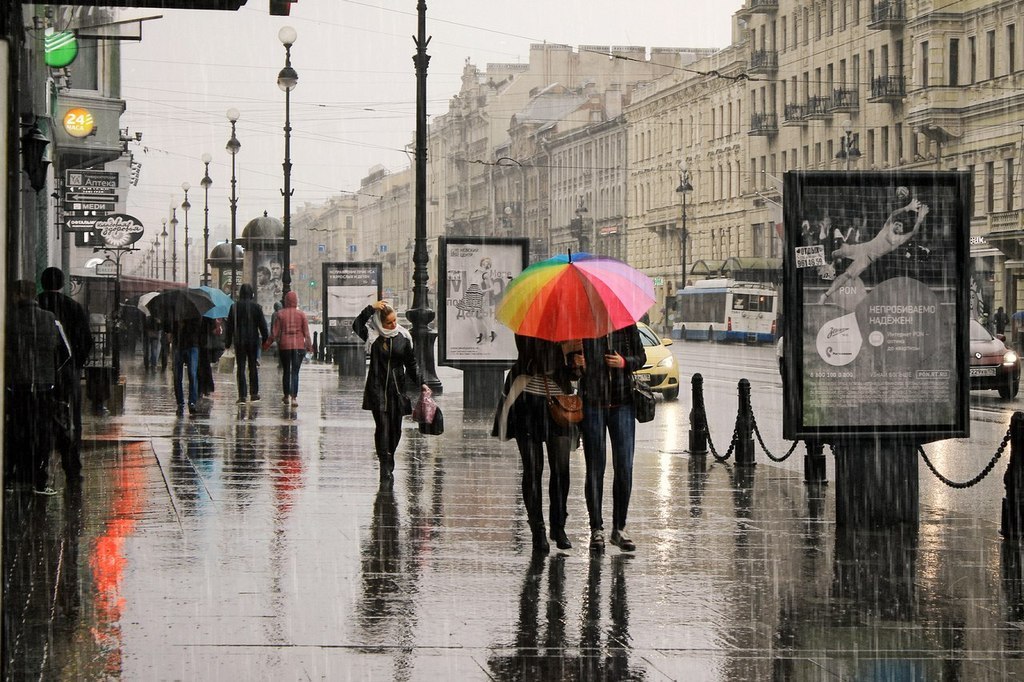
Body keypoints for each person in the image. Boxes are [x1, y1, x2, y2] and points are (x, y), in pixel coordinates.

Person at [493, 334, 577, 553]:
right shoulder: (529, 326)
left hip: (560, 406)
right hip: (527, 403)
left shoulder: (570, 327)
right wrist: (563, 349)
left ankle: (558, 526)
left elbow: (573, 374)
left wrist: (577, 364)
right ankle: (538, 531)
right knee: (533, 469)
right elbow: (536, 363)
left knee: (561, 469)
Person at [577, 323, 645, 552]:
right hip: (593, 403)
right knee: (596, 467)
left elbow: (641, 357)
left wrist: (624, 362)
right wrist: (578, 366)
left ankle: (619, 528)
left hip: (622, 403)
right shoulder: (582, 326)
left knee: (624, 466)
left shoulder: (626, 326)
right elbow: (570, 365)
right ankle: (596, 528)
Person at [6, 280, 68, 495]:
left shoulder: (8, 319)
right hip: (43, 385)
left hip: (15, 385)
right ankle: (40, 480)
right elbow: (66, 353)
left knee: (14, 429)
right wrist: (49, 371)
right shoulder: (50, 319)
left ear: (18, 294)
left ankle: (11, 476)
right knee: (41, 432)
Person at [352, 300, 424, 484]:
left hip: (397, 391)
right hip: (377, 389)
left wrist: (421, 383)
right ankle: (385, 464)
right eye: (389, 322)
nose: (393, 325)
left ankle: (389, 454)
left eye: (394, 321)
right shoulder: (373, 336)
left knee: (396, 430)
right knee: (383, 428)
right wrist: (371, 308)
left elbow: (411, 363)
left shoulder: (403, 337)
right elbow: (357, 324)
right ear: (380, 322)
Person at [37, 266, 93, 483]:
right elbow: (86, 340)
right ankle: (72, 467)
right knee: (71, 420)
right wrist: (75, 363)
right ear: (62, 284)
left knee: (41, 417)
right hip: (67, 373)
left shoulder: (37, 304)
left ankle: (38, 467)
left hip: (41, 373)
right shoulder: (73, 307)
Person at [820, 198, 930, 303]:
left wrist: (920, 219)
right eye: (896, 224)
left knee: (846, 276)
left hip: (866, 259)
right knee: (835, 253)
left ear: (902, 229)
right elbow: (893, 214)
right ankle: (832, 265)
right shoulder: (886, 228)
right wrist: (907, 207)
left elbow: (914, 231)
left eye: (900, 225)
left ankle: (825, 295)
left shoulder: (900, 240)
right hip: (861, 248)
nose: (897, 225)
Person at [266, 290, 312, 407]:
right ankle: (294, 397)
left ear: (286, 301)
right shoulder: (301, 315)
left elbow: (275, 333)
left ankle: (286, 396)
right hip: (298, 347)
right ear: (296, 301)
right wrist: (309, 347)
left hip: (285, 346)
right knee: (295, 372)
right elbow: (306, 333)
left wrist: (267, 344)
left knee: (286, 371)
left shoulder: (280, 314)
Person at [225, 283, 269, 403]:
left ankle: (242, 395)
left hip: (239, 341)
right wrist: (266, 340)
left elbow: (229, 327)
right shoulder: (256, 307)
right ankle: (254, 393)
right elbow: (263, 326)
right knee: (252, 366)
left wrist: (228, 342)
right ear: (251, 294)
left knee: (240, 367)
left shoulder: (234, 307)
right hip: (253, 341)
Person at [166, 313, 203, 415]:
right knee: (177, 375)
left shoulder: (195, 311)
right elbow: (168, 326)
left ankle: (192, 402)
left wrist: (186, 327)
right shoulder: (175, 310)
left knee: (192, 373)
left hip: (192, 344)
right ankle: (180, 403)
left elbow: (200, 328)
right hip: (178, 345)